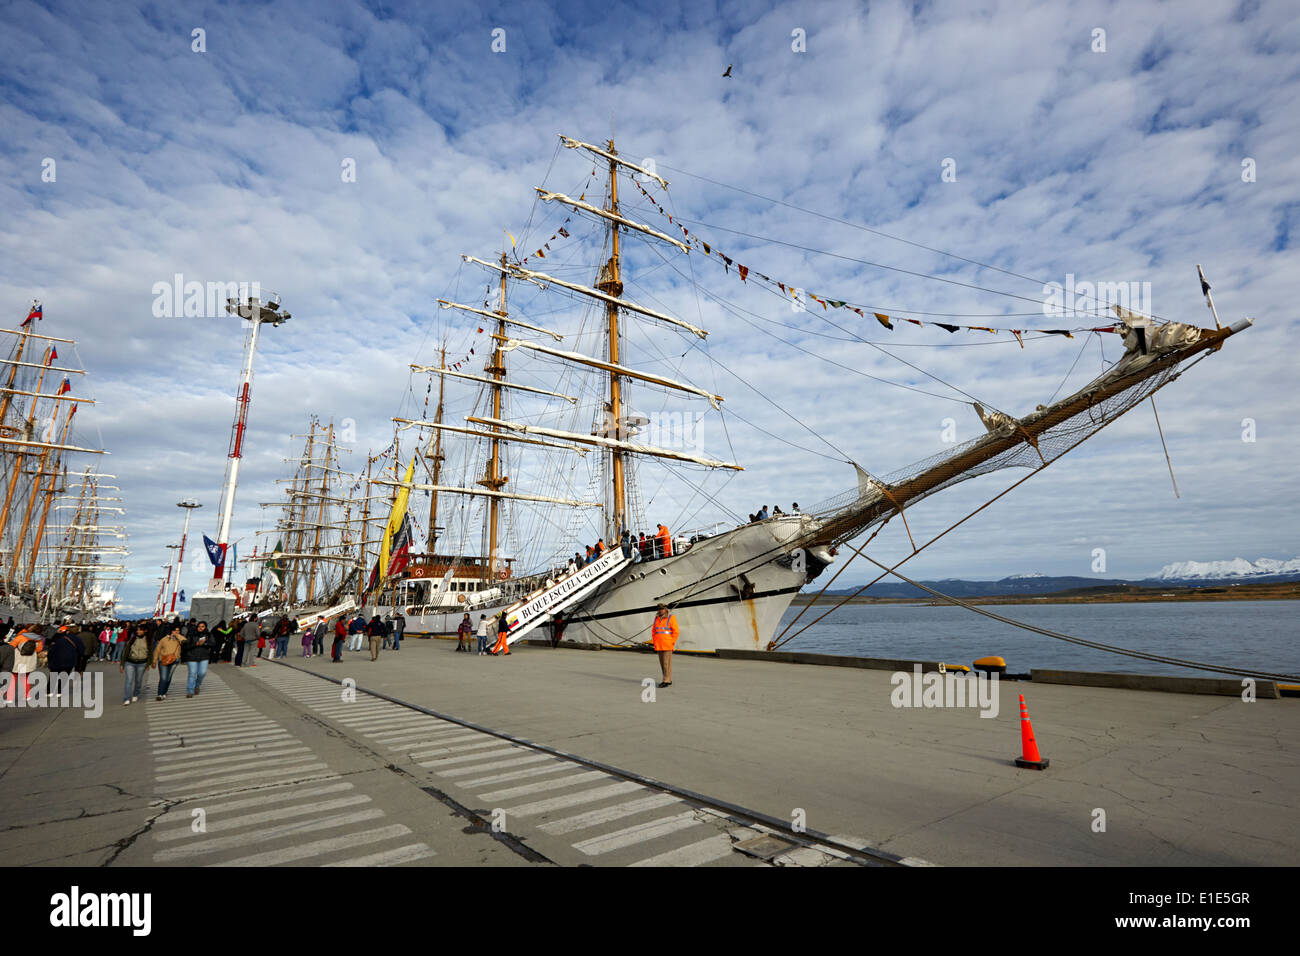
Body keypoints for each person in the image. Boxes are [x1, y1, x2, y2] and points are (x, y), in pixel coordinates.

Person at [46, 626, 81, 701]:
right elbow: (81, 651)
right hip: (70, 660)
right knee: (64, 675)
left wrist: (49, 660)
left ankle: (49, 691)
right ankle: (59, 691)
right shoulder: (78, 639)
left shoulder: (61, 639)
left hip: (57, 659)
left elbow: (53, 650)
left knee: (53, 674)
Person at [121, 625, 153, 705]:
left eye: (140, 630)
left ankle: (136, 694)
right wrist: (122, 664)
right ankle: (127, 698)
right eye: (137, 630)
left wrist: (148, 664)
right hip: (130, 662)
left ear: (145, 631)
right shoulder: (133, 639)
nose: (138, 631)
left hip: (142, 663)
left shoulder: (148, 640)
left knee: (138, 681)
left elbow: (150, 653)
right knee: (129, 680)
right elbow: (126, 651)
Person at [651, 603, 678, 688]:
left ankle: (666, 680)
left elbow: (676, 632)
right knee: (662, 663)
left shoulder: (671, 618)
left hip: (667, 644)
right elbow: (654, 631)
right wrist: (654, 642)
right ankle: (668, 679)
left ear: (666, 609)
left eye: (662, 609)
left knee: (666, 663)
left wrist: (671, 642)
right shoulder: (656, 618)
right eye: (659, 609)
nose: (660, 610)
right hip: (659, 645)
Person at [152, 626, 183, 700]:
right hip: (163, 660)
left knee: (169, 678)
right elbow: (157, 650)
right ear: (171, 631)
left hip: (175, 660)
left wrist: (178, 636)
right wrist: (154, 661)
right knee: (163, 678)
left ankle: (164, 692)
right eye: (175, 630)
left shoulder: (180, 639)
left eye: (178, 631)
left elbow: (186, 641)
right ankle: (160, 694)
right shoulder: (164, 639)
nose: (177, 632)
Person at [182, 621, 211, 698]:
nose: (200, 628)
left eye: (203, 626)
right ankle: (190, 690)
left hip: (204, 656)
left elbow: (213, 643)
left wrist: (205, 643)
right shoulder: (191, 634)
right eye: (199, 626)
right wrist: (196, 644)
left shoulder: (208, 634)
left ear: (205, 627)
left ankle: (197, 685)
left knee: (202, 673)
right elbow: (185, 646)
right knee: (192, 673)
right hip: (192, 656)